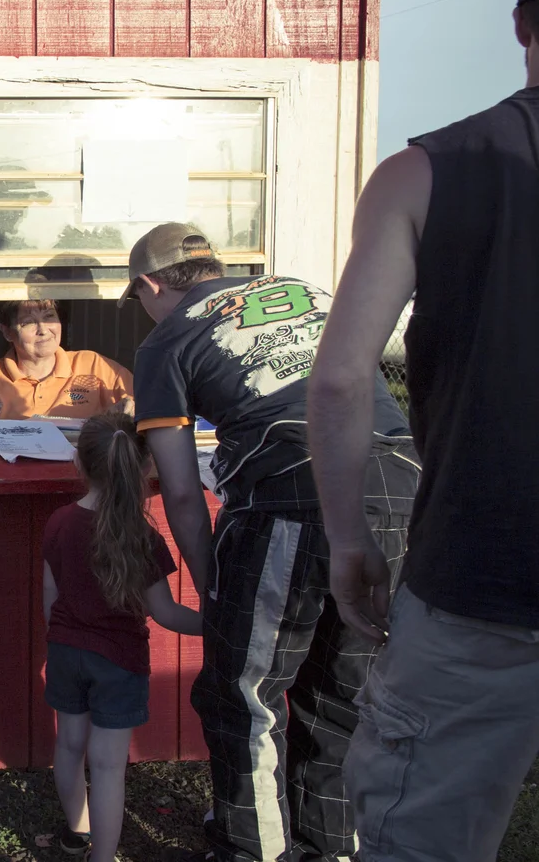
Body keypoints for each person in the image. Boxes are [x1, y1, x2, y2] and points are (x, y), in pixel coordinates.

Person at [308, 0, 539, 862]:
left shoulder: (422, 173)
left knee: (424, 838)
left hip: (480, 572)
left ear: (522, 22)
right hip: (479, 576)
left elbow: (339, 375)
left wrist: (350, 540)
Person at [121, 223, 419, 862]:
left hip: (292, 495)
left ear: (149, 285)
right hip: (404, 488)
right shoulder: (306, 294)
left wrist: (213, 589)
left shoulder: (167, 341)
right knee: (343, 695)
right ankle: (333, 847)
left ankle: (252, 851)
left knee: (244, 697)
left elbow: (178, 490)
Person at [42, 412, 201, 862]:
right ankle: (103, 857)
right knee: (109, 767)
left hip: (66, 651)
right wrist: (217, 624)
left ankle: (77, 832)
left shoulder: (58, 522)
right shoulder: (141, 536)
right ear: (144, 467)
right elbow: (166, 613)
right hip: (119, 661)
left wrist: (60, 640)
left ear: (79, 463)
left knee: (69, 745)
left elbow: (49, 600)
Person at [0, 299, 133, 419]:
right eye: (29, 322)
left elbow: (144, 405)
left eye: (49, 316)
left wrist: (129, 408)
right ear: (7, 332)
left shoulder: (94, 365)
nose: (44, 330)